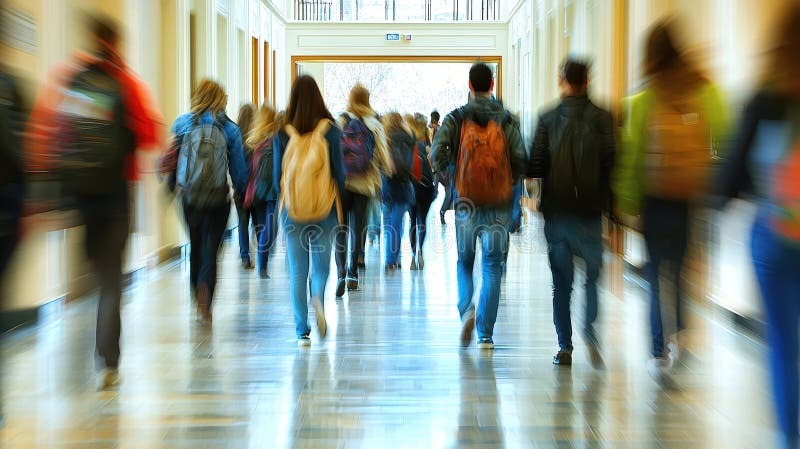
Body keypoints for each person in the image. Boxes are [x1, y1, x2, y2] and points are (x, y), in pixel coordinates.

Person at [26, 15, 164, 389]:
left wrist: (45, 188)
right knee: (111, 279)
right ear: (117, 42)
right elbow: (151, 134)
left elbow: (46, 134)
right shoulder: (126, 82)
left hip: (80, 195)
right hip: (117, 193)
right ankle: (108, 361)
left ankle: (76, 340)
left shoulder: (69, 76)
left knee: (90, 267)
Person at [615, 21, 729, 381]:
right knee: (679, 272)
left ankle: (657, 347)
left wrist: (627, 200)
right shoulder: (704, 88)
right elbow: (726, 137)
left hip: (654, 198)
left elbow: (632, 154)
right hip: (688, 199)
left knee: (653, 273)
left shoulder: (646, 96)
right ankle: (680, 335)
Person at [714, 6, 800, 448]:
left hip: (778, 234)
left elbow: (729, 179)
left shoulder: (767, 98)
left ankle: (791, 435)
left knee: (784, 343)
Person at [431, 62, 526, 349]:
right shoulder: (507, 119)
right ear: (492, 86)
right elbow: (522, 160)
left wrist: (452, 175)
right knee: (493, 266)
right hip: (498, 202)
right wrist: (507, 182)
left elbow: (437, 153)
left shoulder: (457, 117)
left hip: (466, 201)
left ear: (470, 86)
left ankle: (466, 309)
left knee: (465, 260)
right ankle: (485, 334)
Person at [527, 59, 615, 367]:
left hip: (558, 213)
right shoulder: (603, 117)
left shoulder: (547, 117)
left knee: (561, 284)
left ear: (560, 80)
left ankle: (565, 345)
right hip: (591, 213)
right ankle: (589, 330)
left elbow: (535, 162)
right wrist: (612, 214)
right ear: (588, 80)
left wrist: (536, 195)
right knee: (592, 280)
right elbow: (611, 164)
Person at [274, 75, 345, 346]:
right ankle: (318, 297)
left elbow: (275, 177)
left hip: (292, 209)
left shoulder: (282, 131)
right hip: (325, 208)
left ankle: (301, 331)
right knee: (321, 267)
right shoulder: (331, 130)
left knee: (297, 270)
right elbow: (339, 173)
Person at [169, 80, 247, 323]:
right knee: (211, 251)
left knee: (195, 246)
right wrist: (241, 190)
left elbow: (173, 160)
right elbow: (239, 170)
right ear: (220, 99)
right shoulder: (230, 129)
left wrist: (173, 186)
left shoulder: (182, 124)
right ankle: (207, 297)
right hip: (217, 198)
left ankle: (196, 295)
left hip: (190, 197)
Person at [334, 84, 392, 296]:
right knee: (359, 228)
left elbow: (330, 151)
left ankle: (340, 272)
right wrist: (385, 170)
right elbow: (384, 157)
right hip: (365, 184)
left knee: (340, 228)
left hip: (341, 183)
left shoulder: (339, 121)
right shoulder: (374, 123)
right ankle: (352, 272)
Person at [244, 105, 282, 278]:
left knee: (260, 228)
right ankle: (263, 263)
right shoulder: (276, 138)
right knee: (269, 227)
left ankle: (262, 262)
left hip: (256, 190)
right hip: (272, 191)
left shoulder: (252, 139)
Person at [381, 112, 416, 271]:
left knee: (389, 224)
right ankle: (393, 258)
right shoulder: (408, 137)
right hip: (403, 184)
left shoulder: (385, 137)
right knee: (396, 224)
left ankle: (391, 258)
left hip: (387, 183)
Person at [406, 113, 435, 270]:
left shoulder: (409, 142)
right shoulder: (426, 145)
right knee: (422, 220)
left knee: (412, 221)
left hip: (411, 185)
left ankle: (411, 254)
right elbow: (433, 166)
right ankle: (420, 251)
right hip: (425, 186)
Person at [234, 103, 257, 269]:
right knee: (257, 222)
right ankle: (261, 253)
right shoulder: (256, 138)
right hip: (254, 188)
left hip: (239, 188)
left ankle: (244, 256)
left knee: (242, 222)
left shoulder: (235, 137)